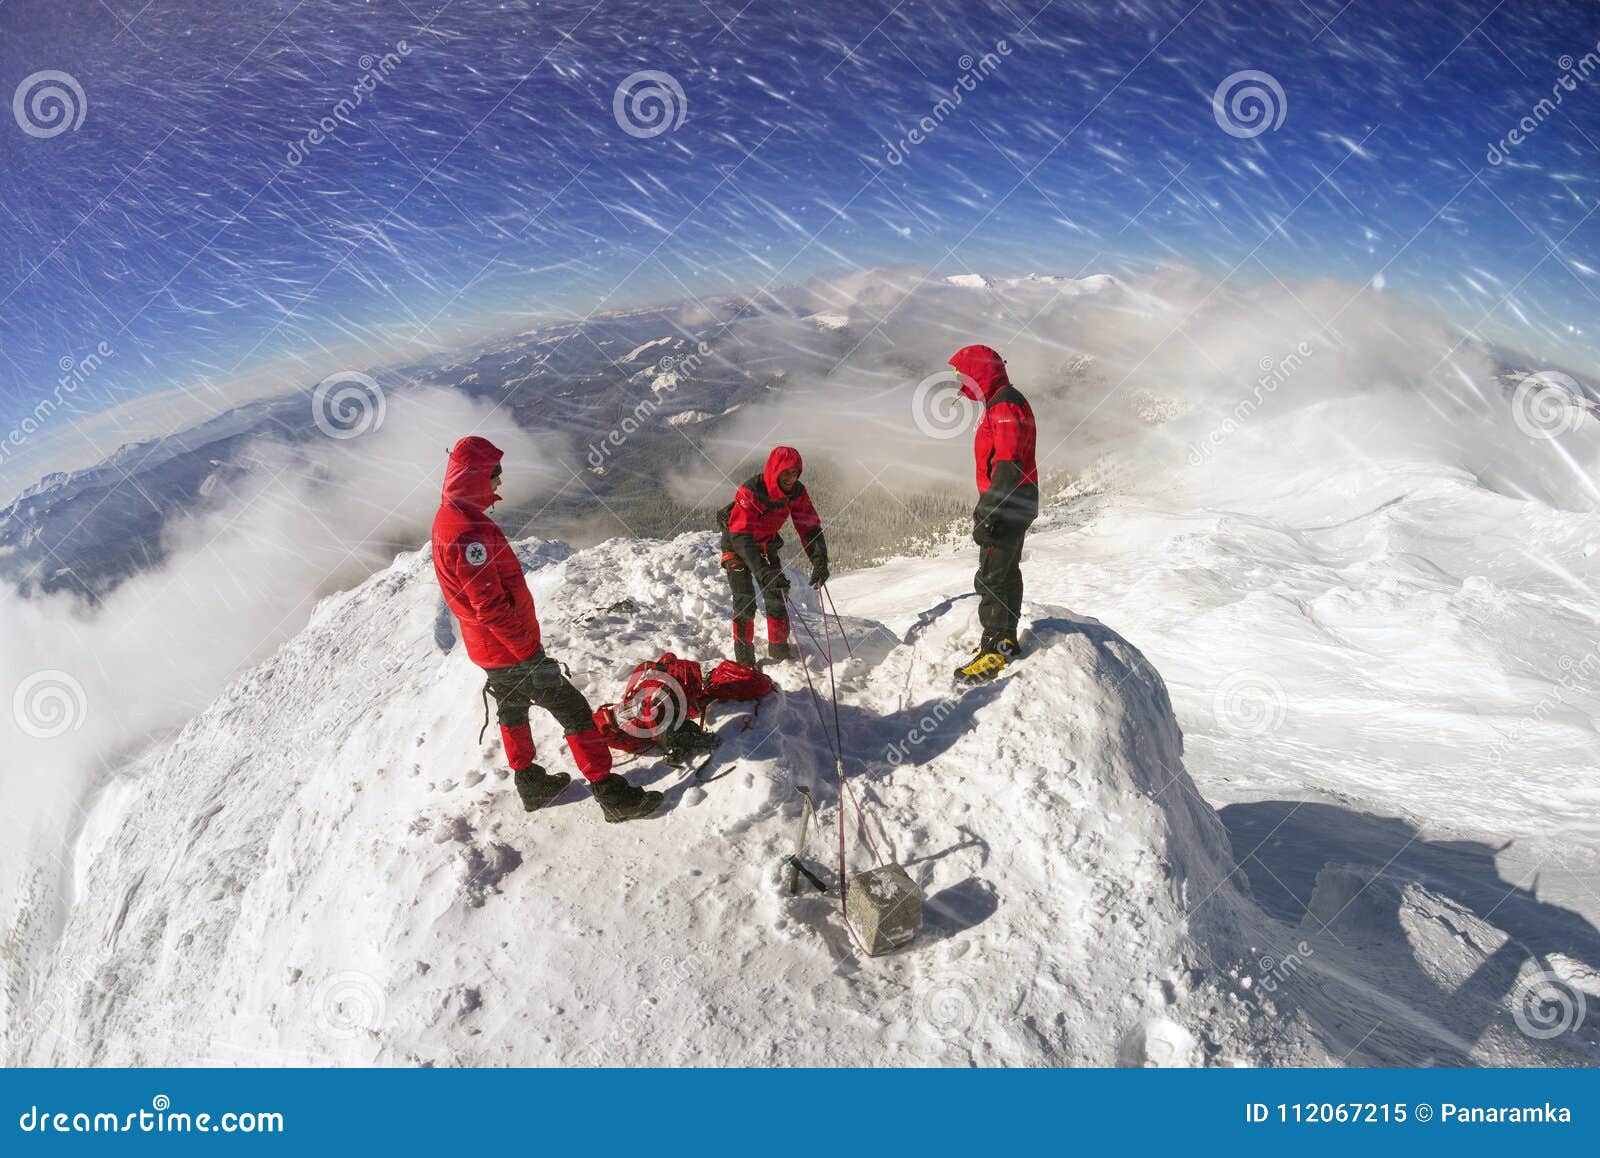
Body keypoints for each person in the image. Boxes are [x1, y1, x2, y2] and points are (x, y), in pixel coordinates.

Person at [431, 436, 663, 822]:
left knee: (512, 708)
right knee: (573, 710)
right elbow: (490, 609)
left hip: (489, 650)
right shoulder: (468, 532)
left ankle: (530, 783)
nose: (499, 484)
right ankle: (610, 794)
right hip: (507, 648)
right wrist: (531, 655)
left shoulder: (449, 517)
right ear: (474, 477)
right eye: (494, 476)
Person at [948, 345, 1037, 685]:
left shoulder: (1004, 405)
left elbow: (1009, 463)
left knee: (992, 576)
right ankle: (1004, 642)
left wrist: (990, 510)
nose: (958, 380)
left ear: (979, 372)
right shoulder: (1001, 401)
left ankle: (994, 653)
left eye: (962, 374)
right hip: (1015, 499)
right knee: (1004, 571)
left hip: (1008, 501)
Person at [717, 445, 829, 666]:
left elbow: (809, 527)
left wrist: (820, 561)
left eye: (795, 472)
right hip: (737, 545)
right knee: (745, 599)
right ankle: (745, 659)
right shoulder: (751, 491)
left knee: (777, 596)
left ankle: (779, 651)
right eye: (786, 472)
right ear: (774, 470)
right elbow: (741, 537)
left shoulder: (796, 492)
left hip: (766, 545)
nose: (791, 477)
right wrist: (764, 571)